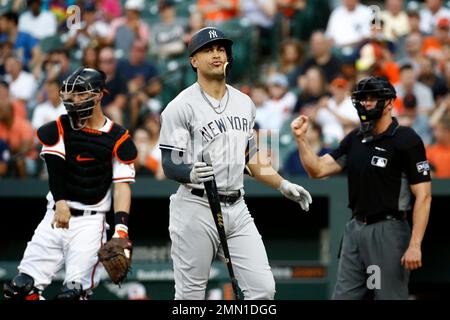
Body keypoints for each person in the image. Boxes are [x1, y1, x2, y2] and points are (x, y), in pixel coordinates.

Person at [159, 26, 312, 300]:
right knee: (190, 297)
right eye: (208, 50)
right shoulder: (180, 106)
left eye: (221, 49)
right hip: (196, 205)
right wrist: (190, 172)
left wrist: (282, 184)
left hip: (237, 207)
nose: (217, 54)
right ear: (194, 60)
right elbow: (169, 163)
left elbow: (250, 157)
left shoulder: (244, 102)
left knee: (263, 290)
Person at [291, 76, 432, 300]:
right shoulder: (356, 138)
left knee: (389, 298)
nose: (366, 103)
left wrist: (415, 244)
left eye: (372, 98)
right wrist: (301, 140)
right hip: (355, 228)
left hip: (389, 228)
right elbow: (317, 170)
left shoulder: (406, 139)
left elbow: (423, 196)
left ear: (389, 103)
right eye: (362, 98)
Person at [3, 67, 137, 300]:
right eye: (70, 94)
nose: (72, 100)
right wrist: (61, 202)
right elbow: (55, 169)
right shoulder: (59, 127)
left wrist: (121, 228)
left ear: (98, 95)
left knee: (73, 294)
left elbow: (122, 185)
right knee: (21, 289)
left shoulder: (118, 136)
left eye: (80, 93)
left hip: (90, 222)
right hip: (55, 216)